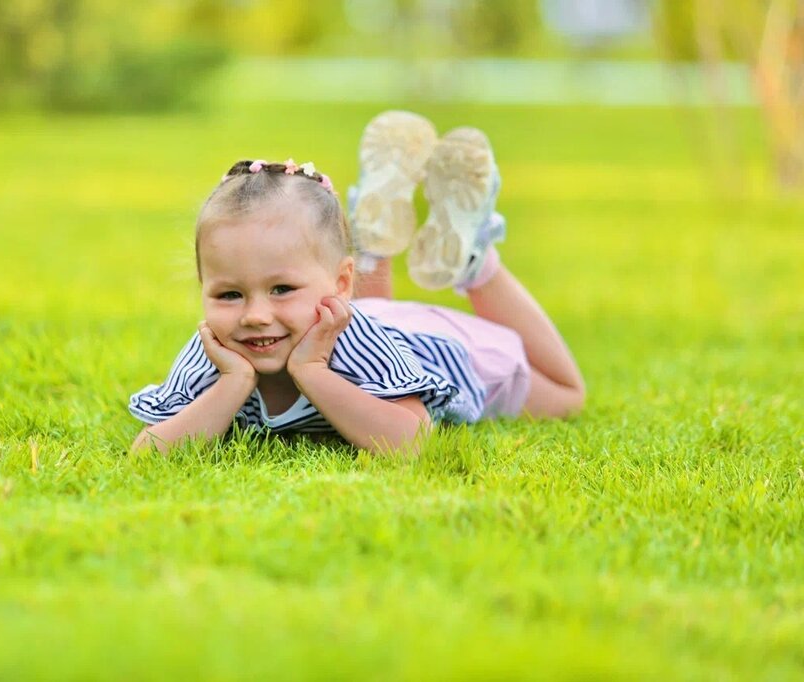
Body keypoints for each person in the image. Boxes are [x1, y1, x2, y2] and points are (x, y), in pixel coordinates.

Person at [129, 110, 585, 455]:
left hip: (443, 347)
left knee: (568, 395)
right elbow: (148, 451)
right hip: (360, 315)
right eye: (229, 294)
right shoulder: (219, 351)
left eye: (281, 289)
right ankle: (372, 243)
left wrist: (312, 374)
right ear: (205, 288)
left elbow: (412, 439)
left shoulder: (356, 341)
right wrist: (231, 384)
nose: (254, 315)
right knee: (349, 306)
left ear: (340, 283)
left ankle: (474, 263)